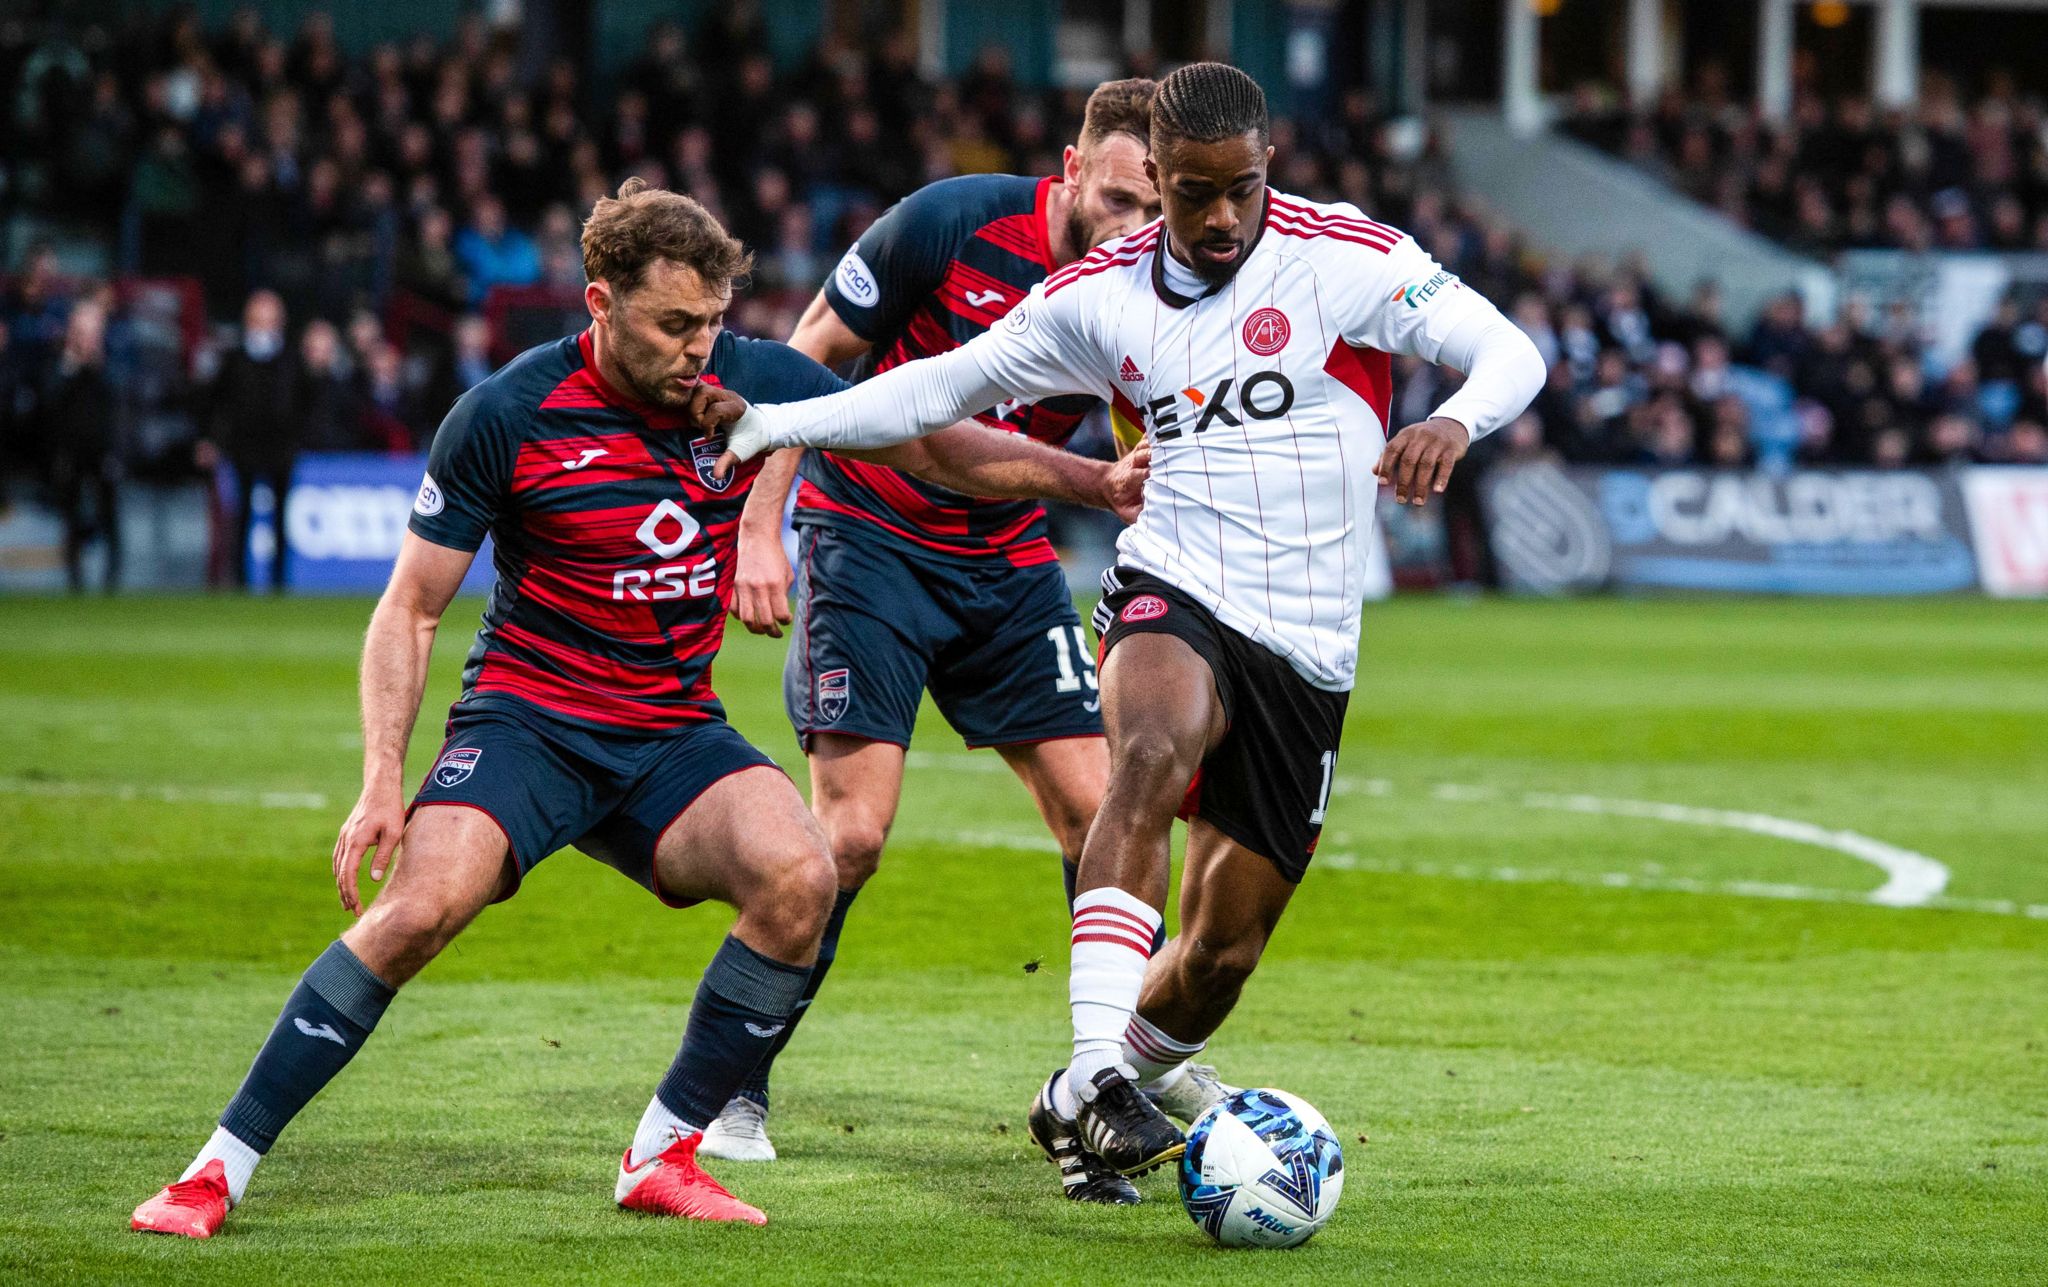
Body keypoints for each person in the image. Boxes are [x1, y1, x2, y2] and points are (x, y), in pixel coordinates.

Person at [128, 178, 1145, 1241]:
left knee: (804, 873)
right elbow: (411, 611)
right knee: (419, 911)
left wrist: (1092, 482)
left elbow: (932, 444)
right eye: (672, 325)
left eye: (710, 322)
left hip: (668, 730)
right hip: (529, 722)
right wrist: (382, 778)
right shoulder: (506, 414)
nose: (698, 348)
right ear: (599, 303)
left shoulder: (749, 378)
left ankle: (662, 1152)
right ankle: (217, 1169)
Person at [695, 63, 1544, 1190]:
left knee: (1220, 953)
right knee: (1139, 757)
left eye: (1236, 188)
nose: (1213, 218)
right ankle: (1096, 1070)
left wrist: (1450, 417)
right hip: (1172, 578)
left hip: (1310, 635)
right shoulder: (1099, 292)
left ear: (1265, 170)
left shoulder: (1347, 256)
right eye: (1188, 191)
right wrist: (775, 426)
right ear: (1158, 169)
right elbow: (932, 387)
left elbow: (1511, 354)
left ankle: (1104, 1080)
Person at [706, 80, 1225, 1198]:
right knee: (851, 838)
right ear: (1072, 166)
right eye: (1124, 201)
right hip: (868, 542)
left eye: (1157, 212)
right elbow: (808, 359)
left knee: (1105, 812)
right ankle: (734, 1075)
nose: (1138, 231)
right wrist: (762, 526)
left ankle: (1103, 1087)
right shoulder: (948, 222)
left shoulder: (1149, 286)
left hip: (1005, 563)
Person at [206, 290, 300, 591]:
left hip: (280, 449)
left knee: (281, 518)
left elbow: (305, 400)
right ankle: (241, 582)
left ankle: (278, 583)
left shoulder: (290, 358)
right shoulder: (234, 359)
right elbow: (217, 402)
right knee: (243, 515)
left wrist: (296, 437)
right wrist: (217, 440)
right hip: (244, 449)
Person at [43, 295, 122, 591]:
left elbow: (122, 400)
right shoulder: (60, 363)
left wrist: (98, 363)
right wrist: (72, 364)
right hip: (70, 452)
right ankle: (75, 582)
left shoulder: (112, 360)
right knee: (72, 518)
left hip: (104, 452)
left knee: (109, 517)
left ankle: (112, 582)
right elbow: (49, 401)